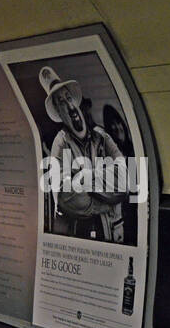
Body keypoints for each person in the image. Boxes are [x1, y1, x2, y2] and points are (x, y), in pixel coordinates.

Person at [38, 66, 128, 242]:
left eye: (69, 98)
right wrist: (107, 197)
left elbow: (124, 178)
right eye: (62, 102)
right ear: (58, 113)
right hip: (80, 237)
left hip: (111, 232)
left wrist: (84, 178)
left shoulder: (101, 136)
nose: (69, 105)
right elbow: (68, 197)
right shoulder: (60, 144)